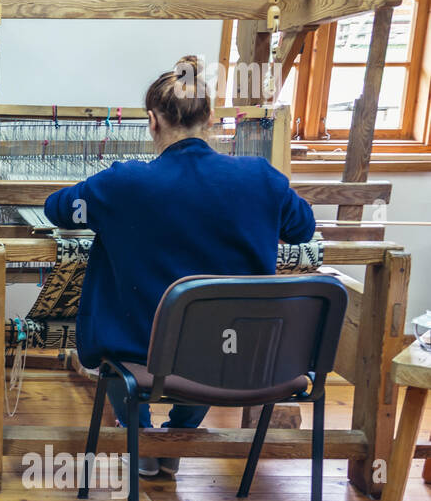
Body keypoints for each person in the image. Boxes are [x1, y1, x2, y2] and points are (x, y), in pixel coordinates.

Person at [43, 57, 316, 476]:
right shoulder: (260, 177)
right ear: (209, 119)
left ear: (152, 120)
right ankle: (176, 437)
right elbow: (301, 228)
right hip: (236, 353)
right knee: (210, 334)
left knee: (126, 335)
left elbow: (58, 210)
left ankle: (143, 437)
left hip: (141, 351)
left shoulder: (123, 184)